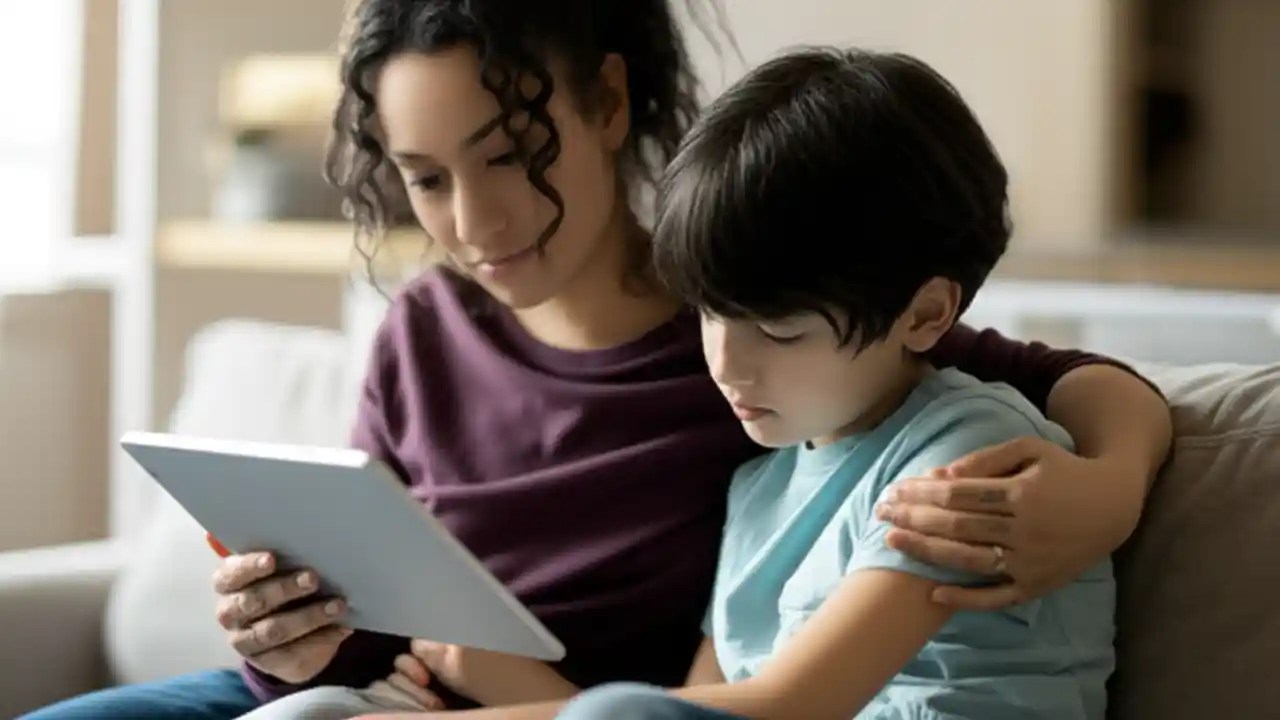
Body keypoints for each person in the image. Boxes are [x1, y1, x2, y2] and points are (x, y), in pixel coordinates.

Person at [17, 2, 1170, 719]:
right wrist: (290, 638)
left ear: (608, 102)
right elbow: (380, 633)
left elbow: (1058, 378)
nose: (474, 221)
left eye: (510, 154)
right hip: (405, 692)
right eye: (426, 178)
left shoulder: (764, 319)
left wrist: (1109, 487)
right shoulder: (427, 329)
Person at [349, 45, 1127, 720]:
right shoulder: (760, 489)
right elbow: (694, 713)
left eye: (780, 332)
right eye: (710, 317)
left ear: (924, 314)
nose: (726, 364)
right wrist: (497, 676)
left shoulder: (965, 454)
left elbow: (791, 706)